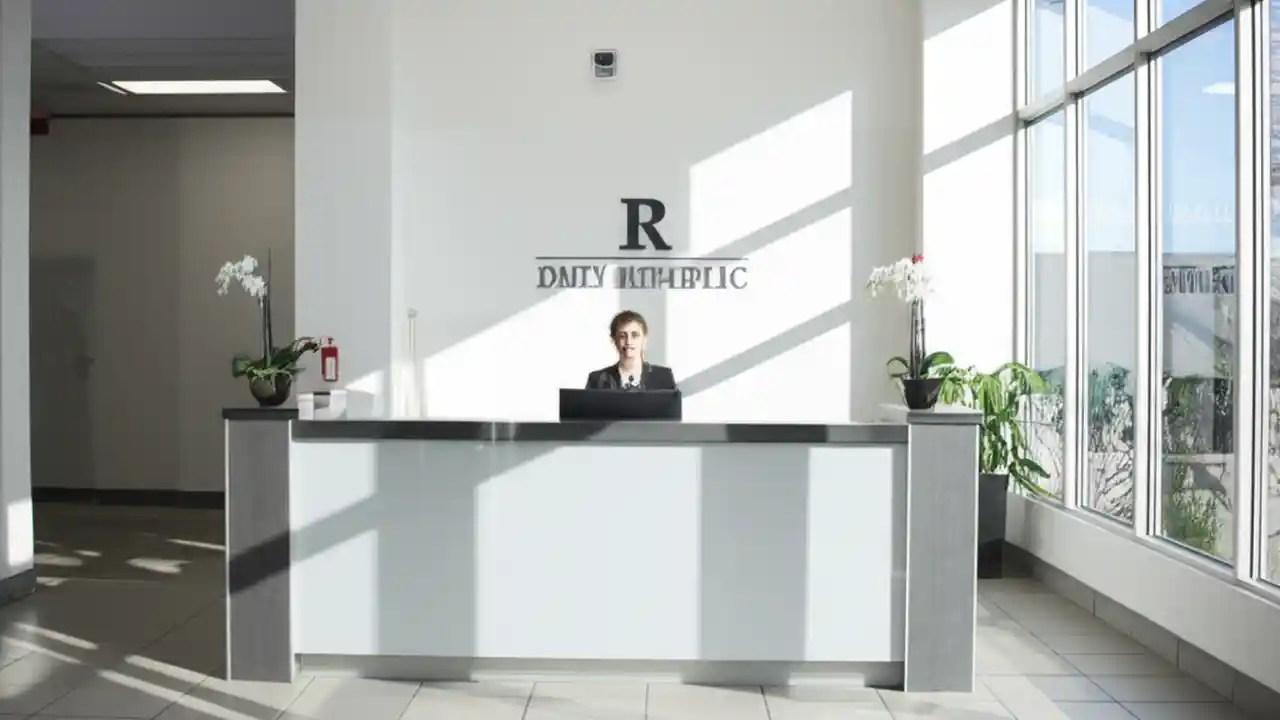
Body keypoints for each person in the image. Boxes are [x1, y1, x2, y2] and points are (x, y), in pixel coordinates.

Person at [585, 310, 678, 391]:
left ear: (644, 339)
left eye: (635, 335)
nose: (628, 341)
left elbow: (671, 411)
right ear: (614, 340)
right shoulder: (597, 379)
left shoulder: (664, 376)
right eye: (622, 336)